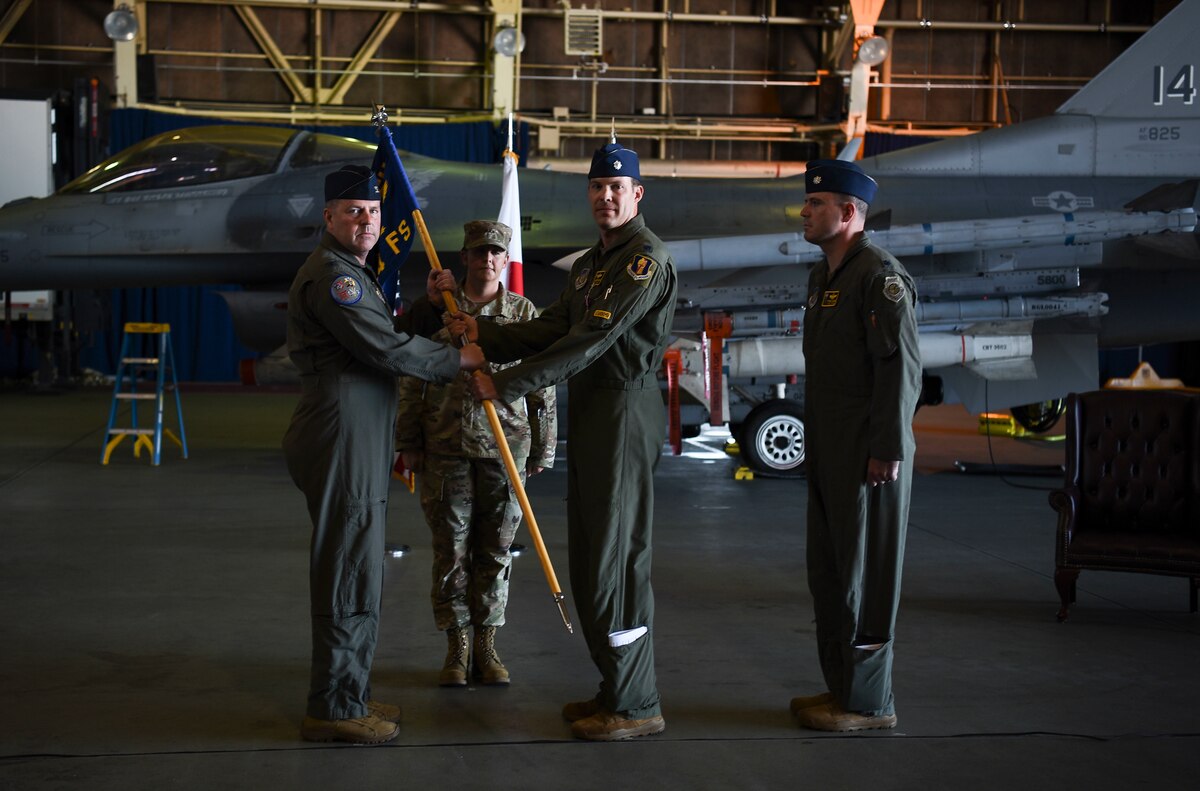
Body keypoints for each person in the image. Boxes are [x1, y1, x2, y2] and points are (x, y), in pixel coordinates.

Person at [447, 140, 676, 741]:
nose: (605, 196)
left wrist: (503, 383)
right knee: (591, 553)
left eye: (617, 188)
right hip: (596, 411)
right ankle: (614, 686)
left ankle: (636, 702)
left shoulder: (642, 262)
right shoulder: (591, 265)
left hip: (626, 411)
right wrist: (483, 330)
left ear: (637, 195)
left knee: (617, 559)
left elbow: (587, 344)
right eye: (597, 187)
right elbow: (552, 324)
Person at [282, 164, 485, 745]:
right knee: (349, 565)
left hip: (359, 427)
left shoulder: (352, 271)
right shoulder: (334, 277)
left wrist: (428, 312)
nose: (366, 220)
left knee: (360, 561)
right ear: (328, 217)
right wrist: (459, 359)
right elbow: (383, 347)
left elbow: (384, 332)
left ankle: (349, 693)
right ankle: (336, 709)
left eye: (372, 211)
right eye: (352, 211)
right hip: (342, 428)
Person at [395, 220, 557, 688]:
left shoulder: (523, 312)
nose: (487, 260)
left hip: (507, 450)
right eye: (478, 252)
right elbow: (412, 377)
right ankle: (457, 647)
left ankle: (487, 643)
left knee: (496, 551)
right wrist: (408, 441)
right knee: (450, 552)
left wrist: (544, 448)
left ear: (506, 260)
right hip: (445, 447)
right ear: (463, 257)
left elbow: (541, 385)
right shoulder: (439, 311)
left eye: (496, 253)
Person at [790, 159, 922, 732]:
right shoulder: (824, 277)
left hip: (870, 453)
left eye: (817, 204)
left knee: (866, 576)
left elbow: (899, 369)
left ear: (848, 213)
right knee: (830, 572)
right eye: (806, 202)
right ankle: (841, 687)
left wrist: (887, 448)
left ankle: (870, 702)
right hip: (829, 446)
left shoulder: (880, 277)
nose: (805, 210)